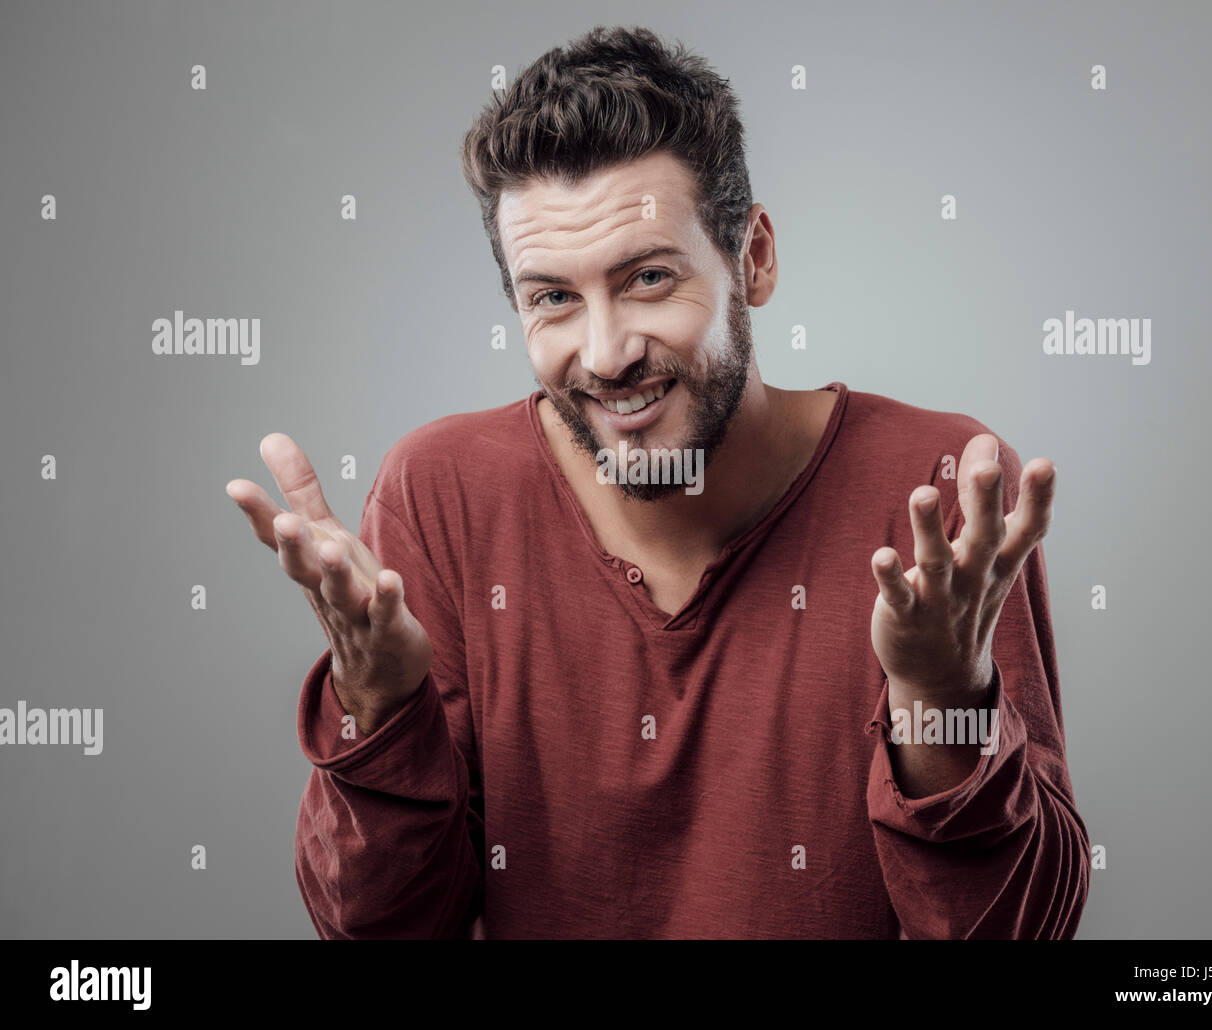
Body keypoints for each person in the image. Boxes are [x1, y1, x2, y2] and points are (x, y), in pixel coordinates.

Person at [226, 25, 1090, 939]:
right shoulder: (441, 494)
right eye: (552, 297)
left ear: (750, 258)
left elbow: (1014, 933)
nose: (604, 354)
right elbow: (384, 929)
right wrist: (379, 711)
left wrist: (943, 701)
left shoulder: (942, 492)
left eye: (646, 278)